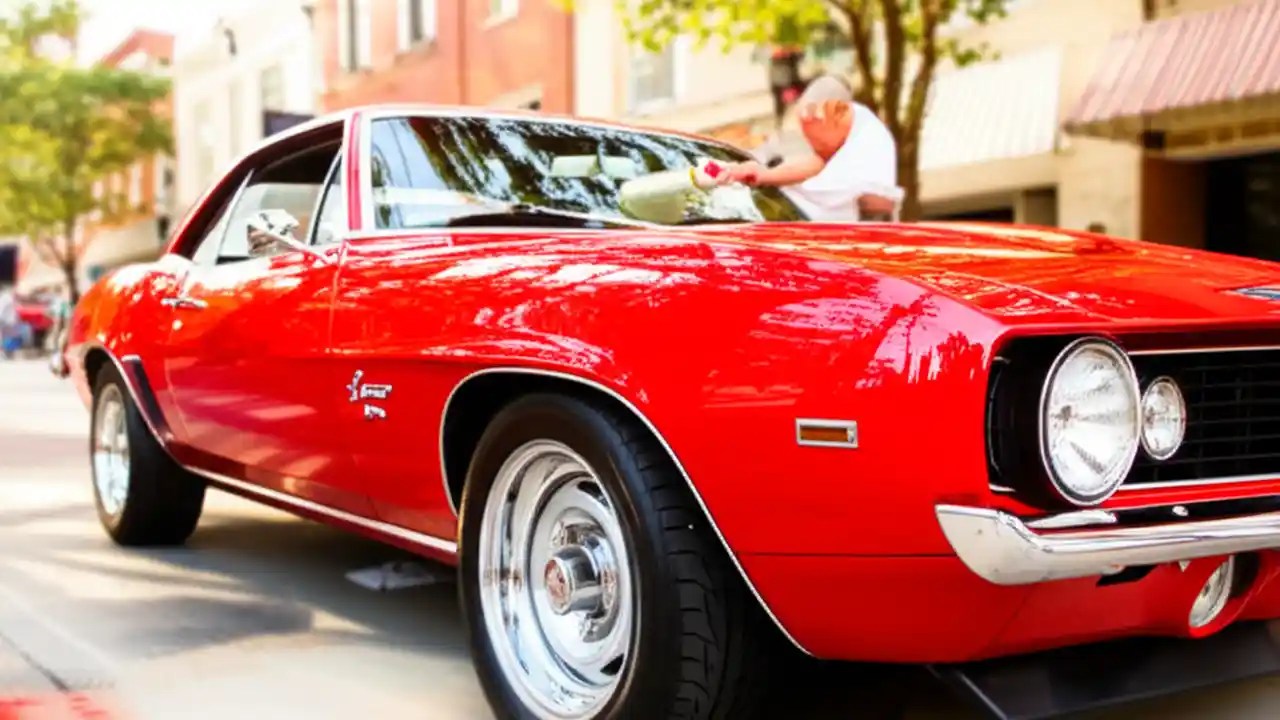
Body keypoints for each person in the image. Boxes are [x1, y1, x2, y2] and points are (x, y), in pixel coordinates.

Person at [717, 74, 902, 221]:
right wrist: (764, 175)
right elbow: (817, 164)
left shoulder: (869, 147)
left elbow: (876, 203)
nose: (809, 140)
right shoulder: (832, 153)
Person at [0, 284, 19, 360]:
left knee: (6, 338)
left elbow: (1, 310)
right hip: (10, 320)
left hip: (6, 321)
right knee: (9, 337)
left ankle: (5, 354)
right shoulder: (8, 297)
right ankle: (8, 353)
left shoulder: (4, 298)